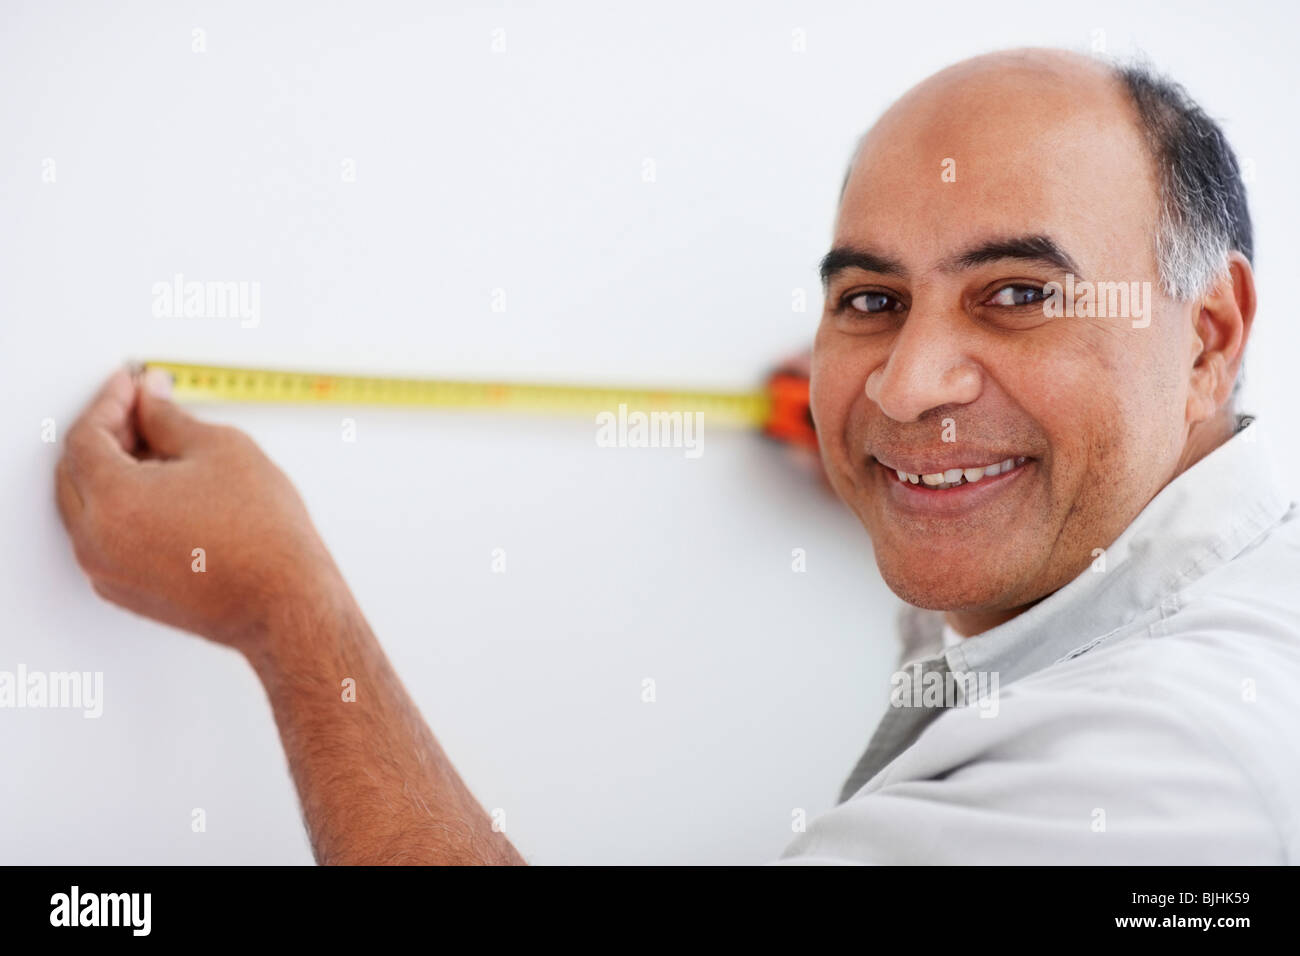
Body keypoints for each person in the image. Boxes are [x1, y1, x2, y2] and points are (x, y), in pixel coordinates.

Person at [55, 48, 1299, 865]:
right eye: (869, 302)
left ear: (1206, 335)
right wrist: (942, 468)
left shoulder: (1155, 784)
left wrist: (285, 612)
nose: (912, 383)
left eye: (1016, 294)